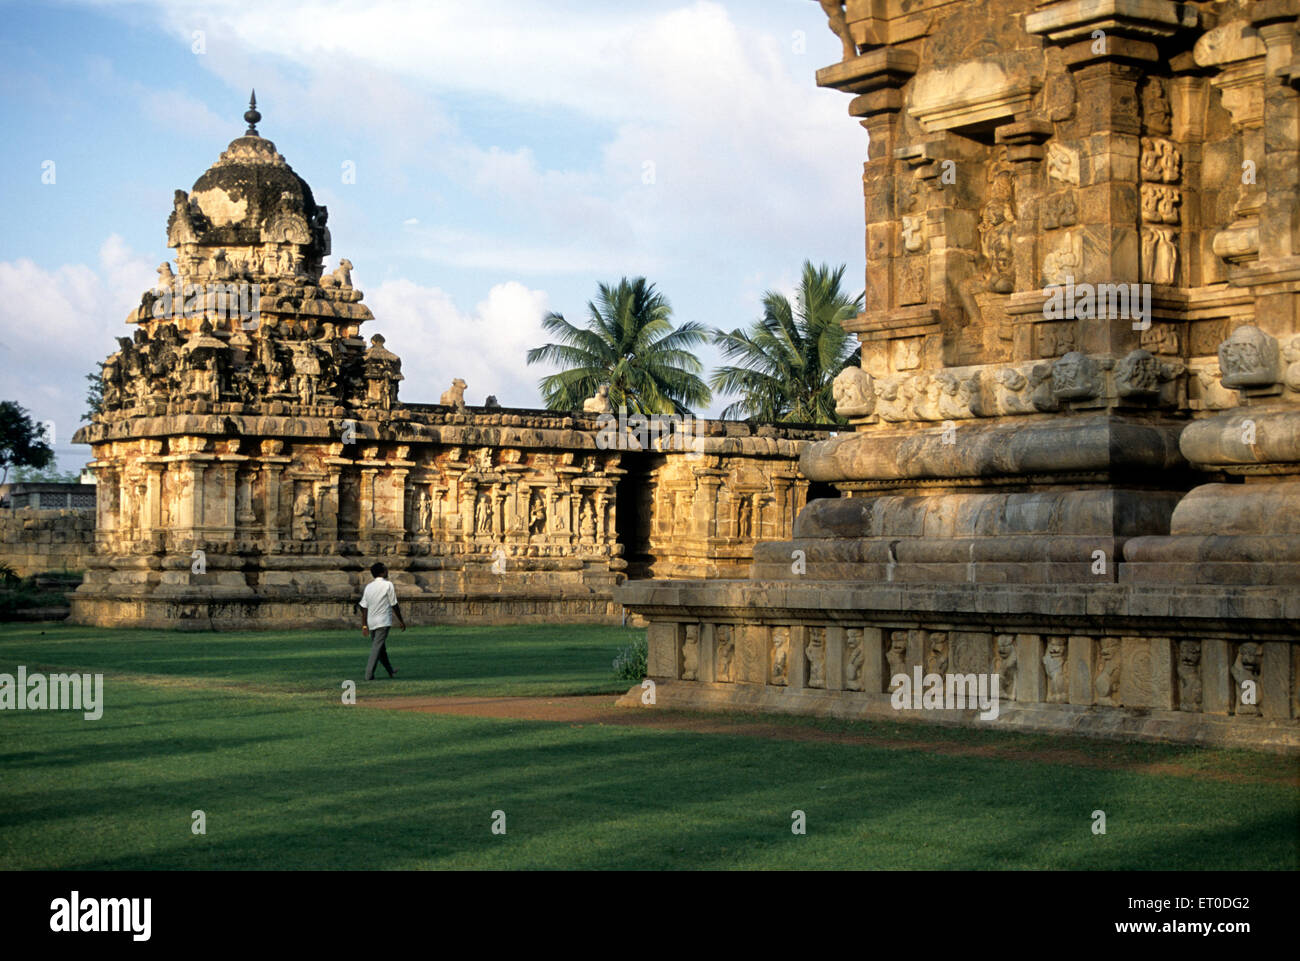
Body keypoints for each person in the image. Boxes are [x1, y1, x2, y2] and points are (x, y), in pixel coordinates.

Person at [358, 562, 405, 680]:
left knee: (380, 648)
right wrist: (401, 621)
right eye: (386, 569)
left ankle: (390, 671)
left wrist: (364, 625)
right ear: (382, 572)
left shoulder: (369, 586)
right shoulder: (388, 585)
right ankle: (368, 674)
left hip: (372, 622)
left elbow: (363, 606)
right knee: (376, 648)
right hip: (383, 621)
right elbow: (394, 604)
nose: (387, 571)